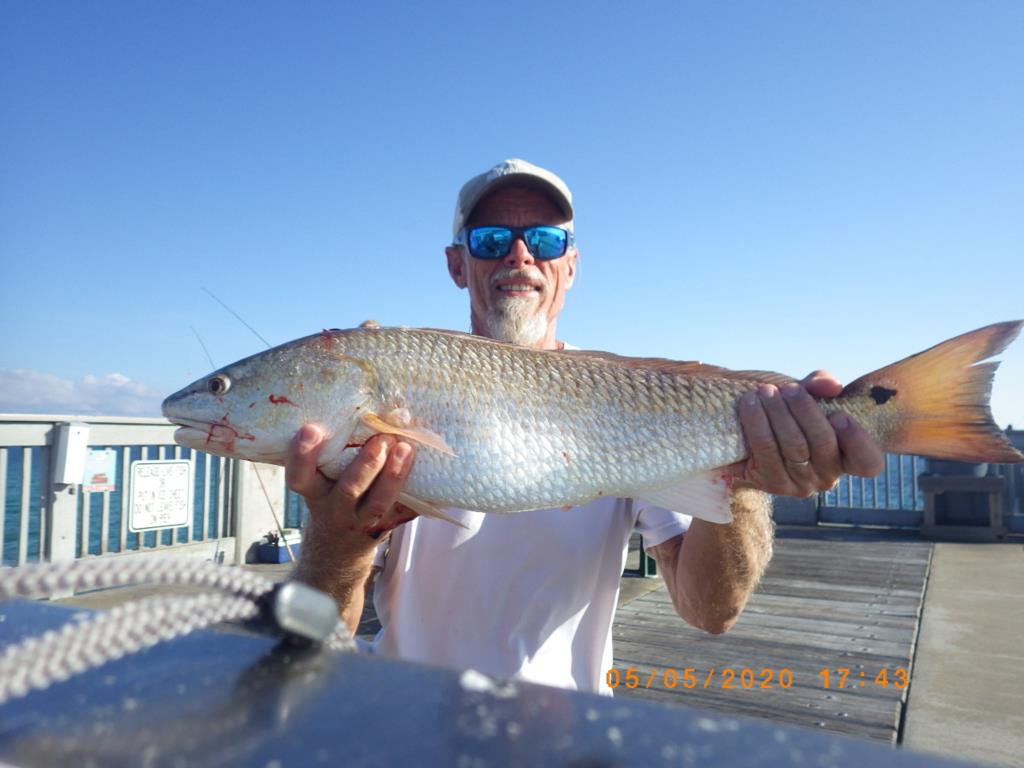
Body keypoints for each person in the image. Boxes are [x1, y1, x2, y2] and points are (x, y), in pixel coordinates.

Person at [288, 159, 884, 693]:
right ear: (456, 264)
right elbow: (313, 645)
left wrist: (743, 476)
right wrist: (337, 541)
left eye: (545, 240)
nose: (519, 256)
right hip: (408, 730)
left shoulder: (629, 398)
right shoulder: (395, 398)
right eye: (491, 238)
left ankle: (904, 413)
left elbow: (709, 611)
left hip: (568, 739)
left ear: (570, 266)